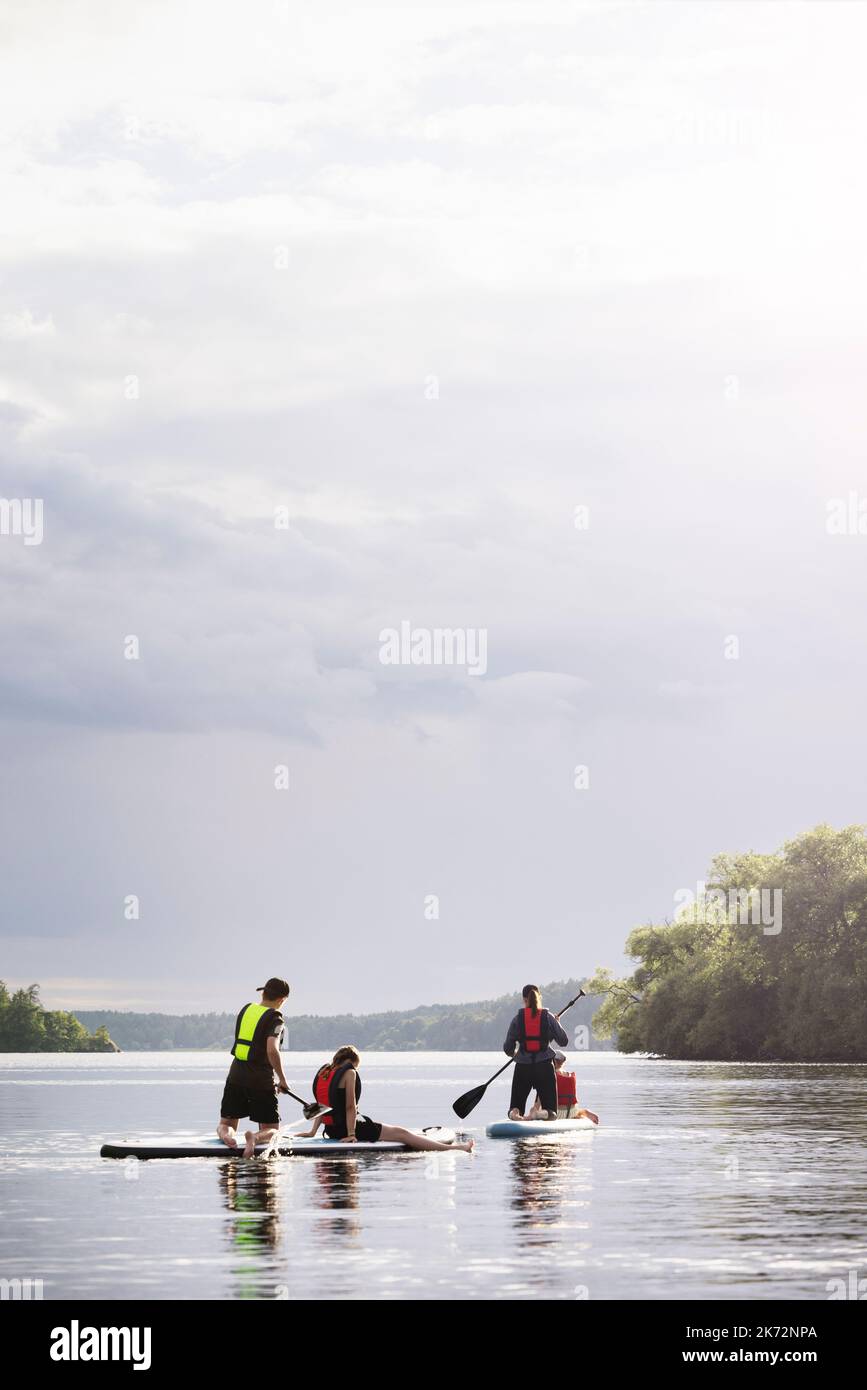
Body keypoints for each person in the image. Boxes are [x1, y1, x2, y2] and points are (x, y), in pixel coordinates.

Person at [296, 1045, 474, 1152]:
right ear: (351, 1061)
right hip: (347, 1131)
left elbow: (322, 1105)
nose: (356, 1069)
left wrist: (312, 1132)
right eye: (357, 1066)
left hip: (331, 1130)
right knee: (401, 1134)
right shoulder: (349, 1072)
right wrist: (351, 1135)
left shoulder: (324, 1073)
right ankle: (455, 1149)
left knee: (392, 1132)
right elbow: (351, 1106)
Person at [217, 977, 293, 1158]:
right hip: (260, 1078)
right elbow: (272, 1050)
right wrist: (282, 1079)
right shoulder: (276, 1018)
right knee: (273, 1130)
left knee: (226, 1122)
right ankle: (254, 1138)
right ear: (282, 1000)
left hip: (235, 1073)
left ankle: (227, 1137)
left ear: (263, 993)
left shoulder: (246, 1010)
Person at [502, 984, 569, 1121]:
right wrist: (557, 1024)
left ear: (524, 999)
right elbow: (563, 1041)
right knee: (552, 1113)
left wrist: (515, 1054)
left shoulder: (517, 1019)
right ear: (539, 997)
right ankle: (538, 1113)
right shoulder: (548, 1017)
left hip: (523, 1068)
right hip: (544, 1067)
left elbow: (508, 1048)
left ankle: (515, 1113)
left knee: (515, 1106)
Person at [528, 1050, 599, 1124]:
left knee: (534, 1110)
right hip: (572, 1112)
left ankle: (535, 1115)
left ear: (552, 1061)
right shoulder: (569, 1075)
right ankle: (584, 1112)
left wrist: (533, 1112)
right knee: (572, 1109)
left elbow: (538, 1102)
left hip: (556, 1114)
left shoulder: (548, 1076)